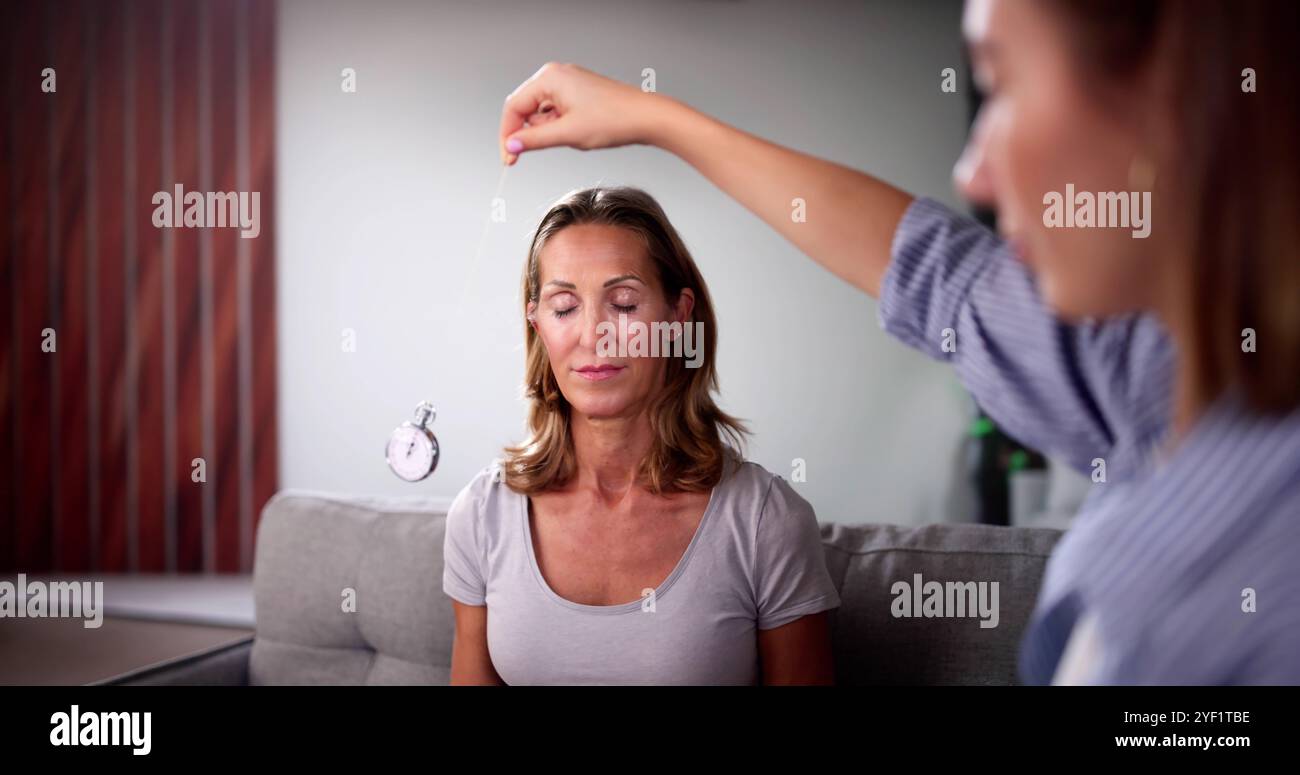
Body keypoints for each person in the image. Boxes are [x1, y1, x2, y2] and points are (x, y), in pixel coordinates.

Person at [496, 0, 1300, 684]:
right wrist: (653, 119)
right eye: (563, 303)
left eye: (1002, 83)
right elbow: (937, 273)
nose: (974, 174)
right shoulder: (1151, 373)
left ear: (1172, 98)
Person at [443, 185, 841, 685]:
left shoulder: (766, 520)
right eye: (564, 307)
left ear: (678, 315)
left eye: (625, 304)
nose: (594, 335)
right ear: (538, 323)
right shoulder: (482, 514)